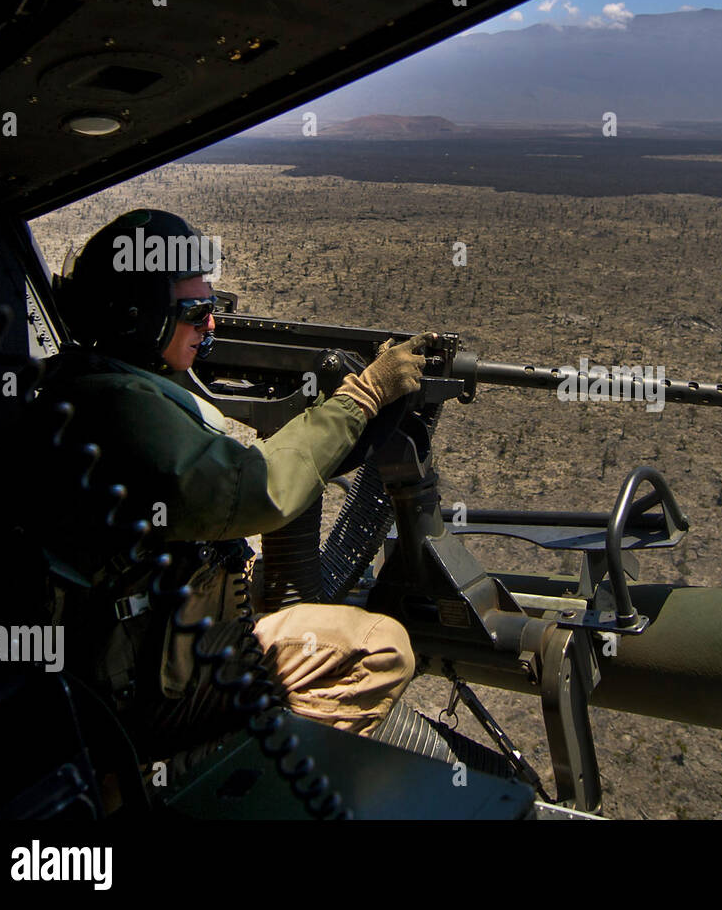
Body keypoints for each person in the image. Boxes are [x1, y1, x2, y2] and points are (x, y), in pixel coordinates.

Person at [37, 208, 430, 764]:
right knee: (378, 649)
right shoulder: (113, 408)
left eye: (213, 308)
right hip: (143, 691)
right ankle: (236, 783)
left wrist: (356, 425)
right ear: (138, 317)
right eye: (196, 312)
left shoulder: (114, 387)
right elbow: (255, 488)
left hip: (160, 650)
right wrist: (360, 398)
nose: (211, 326)